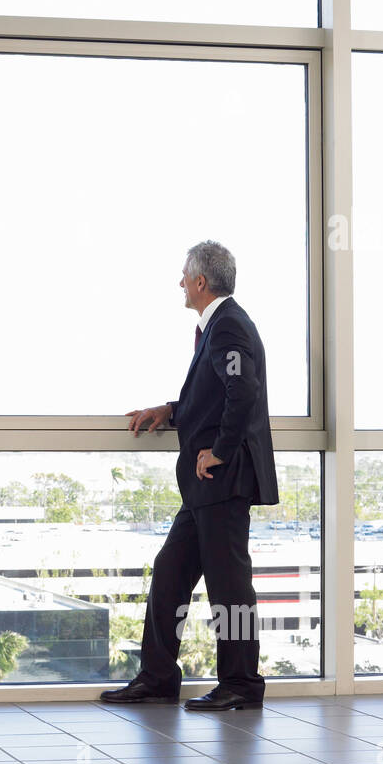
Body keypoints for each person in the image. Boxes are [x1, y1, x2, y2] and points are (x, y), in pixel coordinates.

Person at [102, 240, 278, 710]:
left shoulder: (229, 328)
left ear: (201, 281)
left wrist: (218, 452)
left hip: (223, 481)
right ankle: (159, 677)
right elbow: (216, 396)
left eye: (184, 275)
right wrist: (169, 411)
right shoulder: (217, 327)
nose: (179, 282)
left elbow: (243, 391)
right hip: (203, 488)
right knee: (170, 574)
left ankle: (241, 685)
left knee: (230, 589)